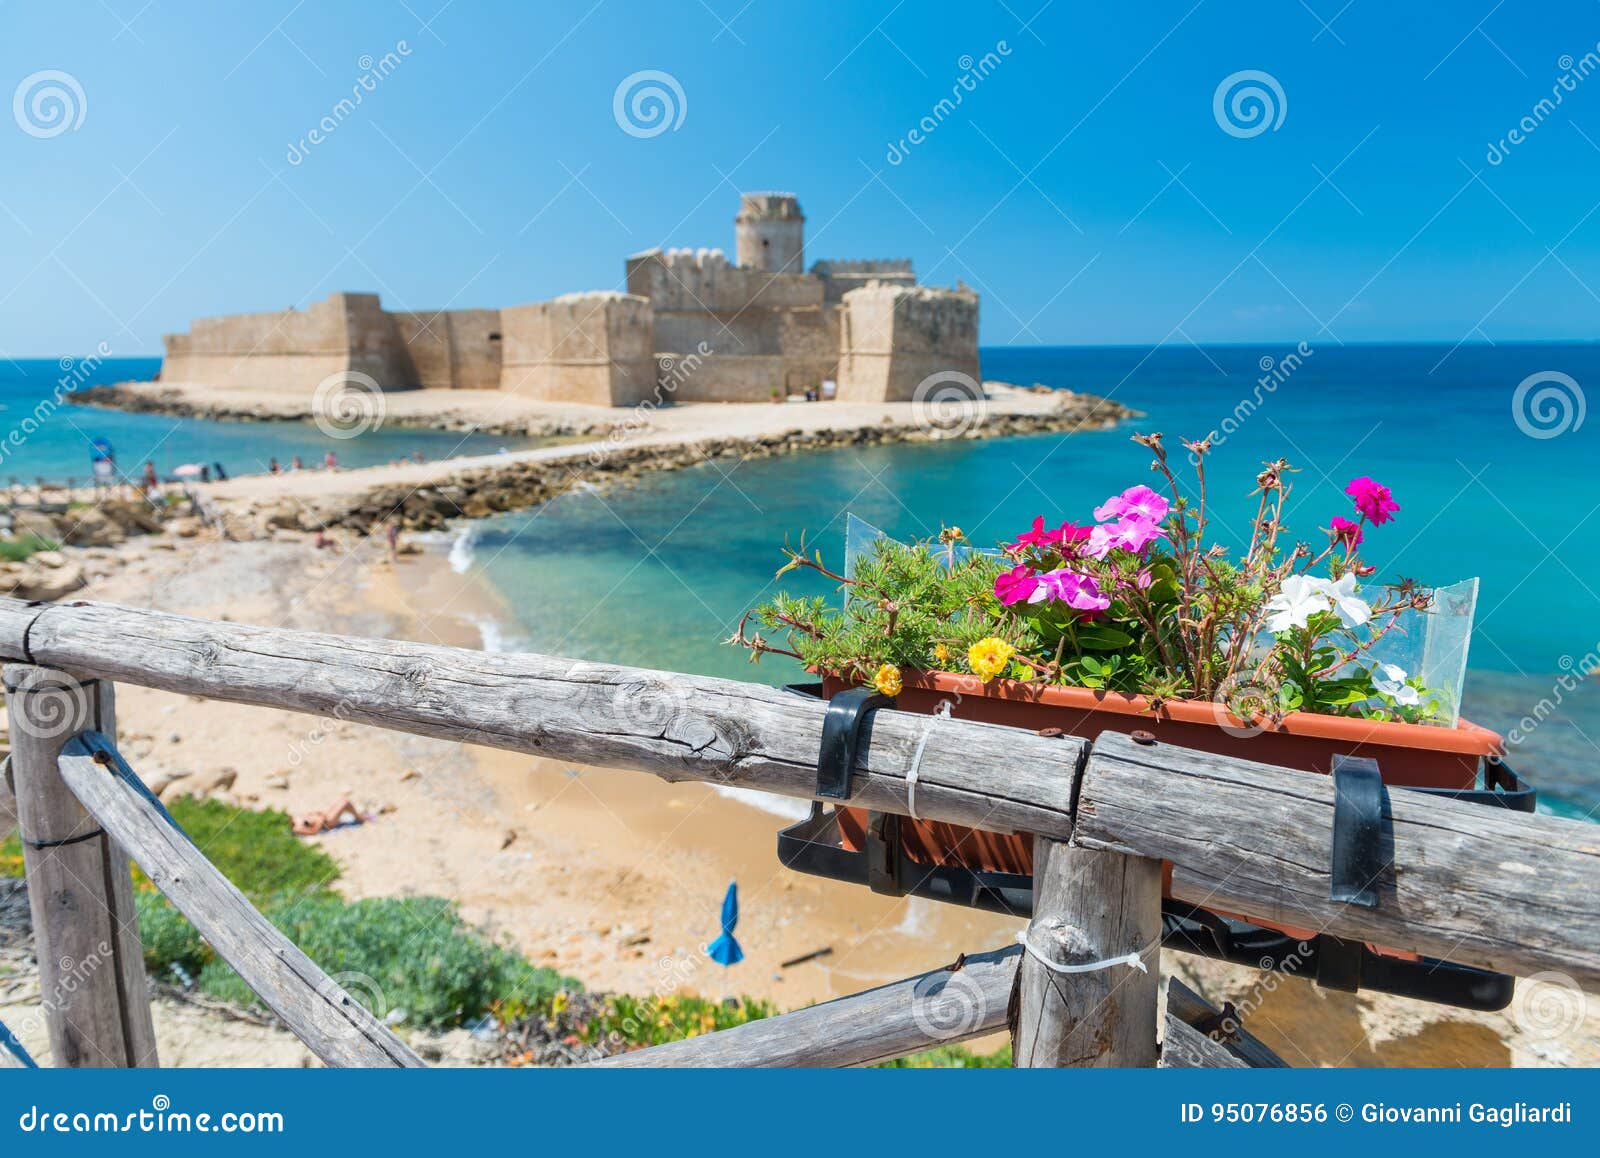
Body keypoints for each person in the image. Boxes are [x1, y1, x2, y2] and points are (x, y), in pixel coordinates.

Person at [292, 796, 370, 837]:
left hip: (323, 817)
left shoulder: (295, 819)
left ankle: (359, 816)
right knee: (345, 802)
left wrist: (317, 814)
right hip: (327, 823)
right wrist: (320, 820)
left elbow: (309, 816)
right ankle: (360, 818)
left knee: (342, 800)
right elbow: (314, 832)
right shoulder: (297, 828)